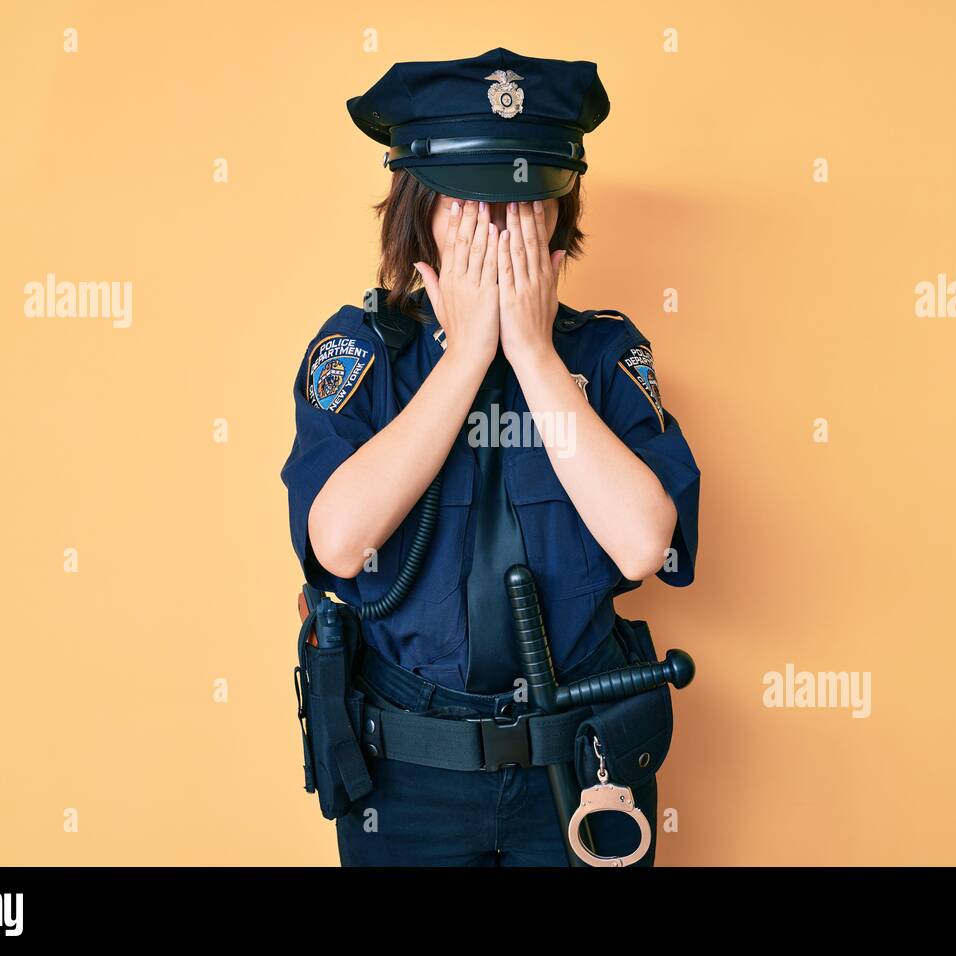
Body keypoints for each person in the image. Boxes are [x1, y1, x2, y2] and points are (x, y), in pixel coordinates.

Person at [281, 47, 700, 866]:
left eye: (521, 206)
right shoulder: (362, 351)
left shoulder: (603, 354)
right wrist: (467, 354)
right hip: (408, 778)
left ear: (558, 216)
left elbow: (646, 544)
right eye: (473, 209)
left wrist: (537, 359)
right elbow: (338, 543)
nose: (498, 233)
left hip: (581, 762)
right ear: (419, 215)